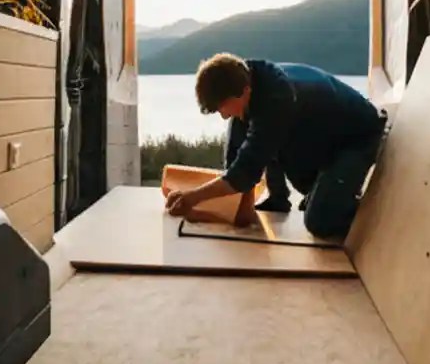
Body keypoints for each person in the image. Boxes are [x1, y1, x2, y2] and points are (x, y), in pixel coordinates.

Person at [164, 53, 386, 238]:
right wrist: (245, 206)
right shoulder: (244, 80)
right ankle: (281, 198)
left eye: (223, 107)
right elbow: (237, 164)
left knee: (320, 221)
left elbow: (243, 173)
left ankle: (382, 219)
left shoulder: (276, 99)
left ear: (244, 92)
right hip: (322, 134)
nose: (223, 116)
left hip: (357, 137)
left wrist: (191, 197)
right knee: (264, 141)